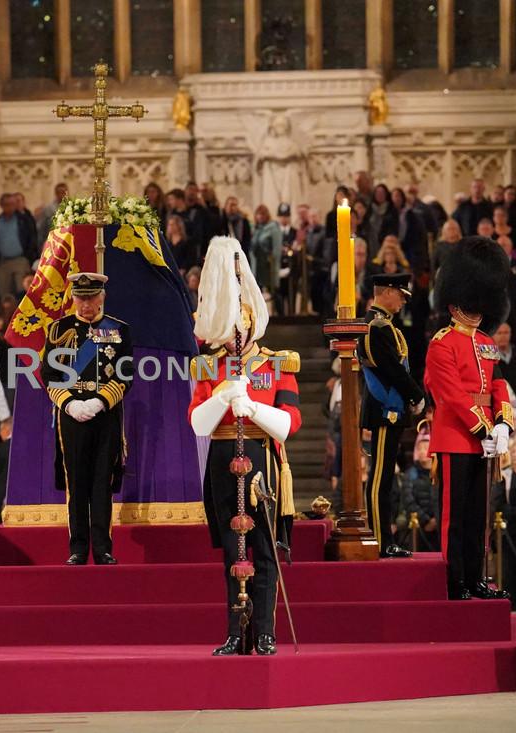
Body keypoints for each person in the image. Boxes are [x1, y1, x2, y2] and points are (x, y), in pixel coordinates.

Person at [188, 236, 301, 657]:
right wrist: (220, 396)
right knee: (230, 554)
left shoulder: (276, 363)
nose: (235, 335)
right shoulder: (208, 366)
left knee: (265, 549)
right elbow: (199, 423)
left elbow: (288, 425)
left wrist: (250, 405)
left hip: (260, 460)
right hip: (220, 457)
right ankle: (237, 631)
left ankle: (265, 630)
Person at [424, 236, 512, 600]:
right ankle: (454, 579)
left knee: (479, 516)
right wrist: (485, 427)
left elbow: (499, 384)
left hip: (485, 438)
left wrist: (504, 422)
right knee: (455, 516)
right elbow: (452, 396)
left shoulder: (486, 343)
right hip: (455, 436)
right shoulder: (441, 343)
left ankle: (476, 578)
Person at [41, 272, 132, 566]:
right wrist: (69, 405)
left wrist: (100, 401)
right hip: (71, 416)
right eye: (80, 298)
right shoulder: (58, 329)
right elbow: (50, 375)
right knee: (76, 482)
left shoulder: (119, 330)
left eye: (91, 298)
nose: (85, 305)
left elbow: (125, 375)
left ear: (102, 297)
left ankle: (103, 548)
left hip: (105, 415)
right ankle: (78, 548)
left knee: (101, 482)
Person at [357, 274, 425, 557]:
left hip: (391, 409)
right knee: (380, 479)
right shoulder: (375, 327)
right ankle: (379, 539)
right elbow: (392, 370)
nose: (403, 299)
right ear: (385, 292)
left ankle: (384, 538)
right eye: (400, 294)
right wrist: (416, 394)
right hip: (385, 409)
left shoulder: (386, 326)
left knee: (385, 478)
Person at [0, 193, 37, 299]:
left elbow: (31, 238)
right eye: (7, 204)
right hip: (2, 262)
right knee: (5, 295)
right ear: (1, 205)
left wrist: (28, 256)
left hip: (20, 260)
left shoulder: (23, 220)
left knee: (22, 292)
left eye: (12, 204)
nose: (10, 207)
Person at [491, 436, 516, 609]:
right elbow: (499, 503)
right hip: (510, 531)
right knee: (511, 570)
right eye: (514, 452)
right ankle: (513, 605)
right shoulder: (505, 476)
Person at [402, 430, 439, 551]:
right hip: (418, 527)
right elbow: (408, 500)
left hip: (437, 527)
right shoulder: (410, 474)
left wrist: (436, 520)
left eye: (426, 448)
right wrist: (426, 520)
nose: (422, 452)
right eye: (420, 448)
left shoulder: (439, 474)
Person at [251, 204, 282, 311]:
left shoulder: (273, 227)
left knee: (274, 292)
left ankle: (282, 317)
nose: (260, 217)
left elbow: (277, 248)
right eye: (258, 214)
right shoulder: (256, 229)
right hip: (257, 265)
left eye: (262, 214)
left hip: (269, 265)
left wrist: (274, 265)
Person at [37, 182, 69, 246]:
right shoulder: (48, 209)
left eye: (65, 192)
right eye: (61, 192)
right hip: (52, 242)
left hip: (68, 240)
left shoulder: (72, 207)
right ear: (56, 194)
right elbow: (41, 228)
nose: (63, 195)